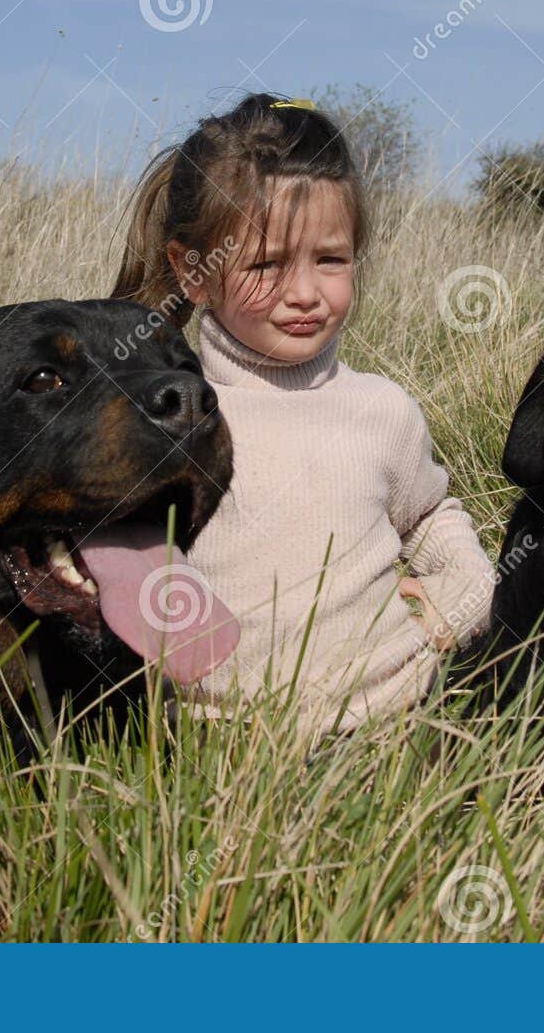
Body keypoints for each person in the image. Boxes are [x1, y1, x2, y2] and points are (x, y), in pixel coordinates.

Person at [111, 92, 494, 737]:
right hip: (212, 740)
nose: (306, 293)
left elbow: (430, 516)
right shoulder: (171, 415)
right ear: (193, 272)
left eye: (331, 260)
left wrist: (457, 599)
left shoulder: (380, 411)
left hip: (389, 731)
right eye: (267, 264)